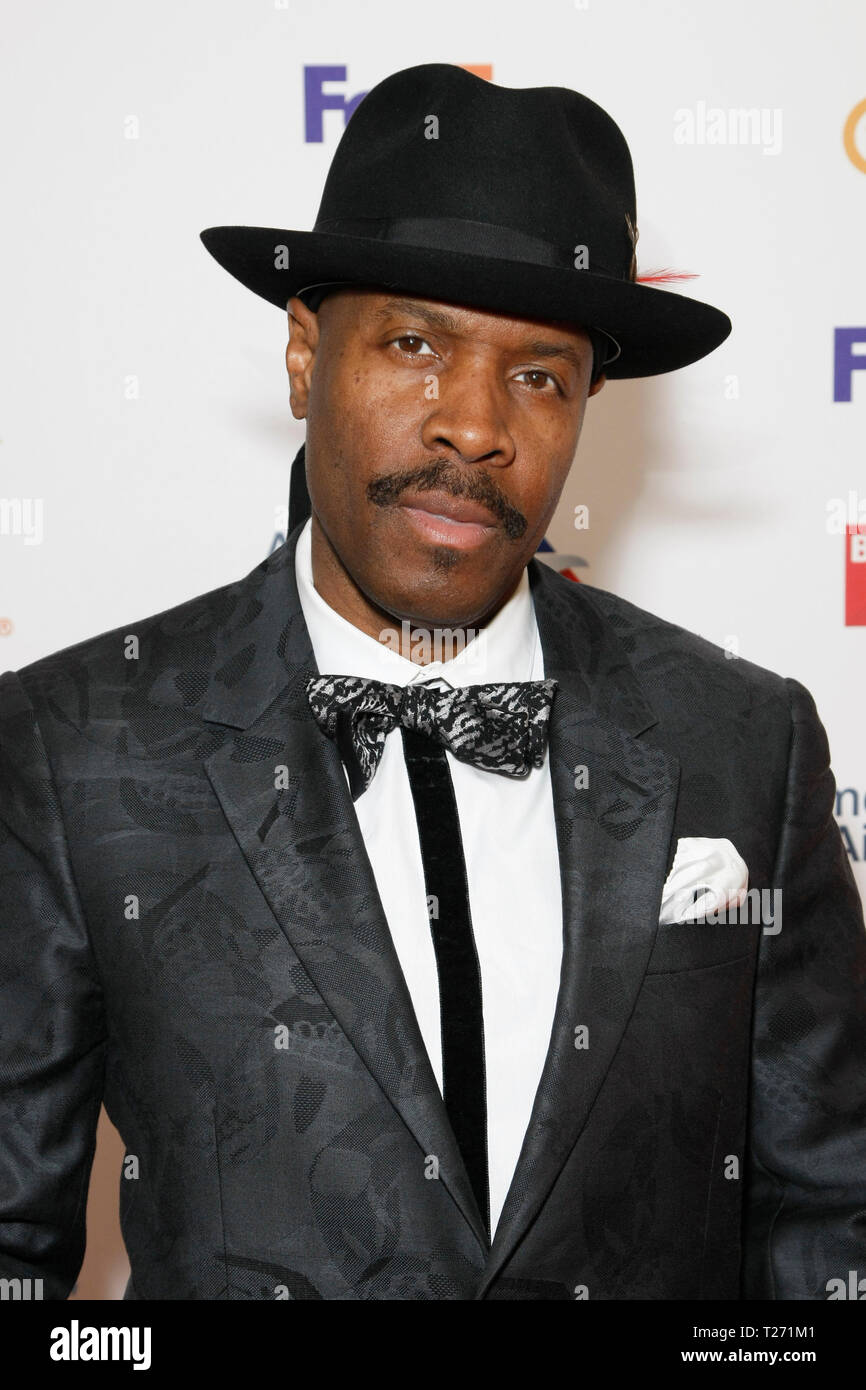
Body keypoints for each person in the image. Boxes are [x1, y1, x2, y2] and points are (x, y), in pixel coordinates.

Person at [1, 62, 864, 1302]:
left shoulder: (743, 739)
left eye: (537, 373)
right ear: (304, 356)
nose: (473, 424)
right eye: (413, 343)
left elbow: (829, 1216)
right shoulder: (74, 745)